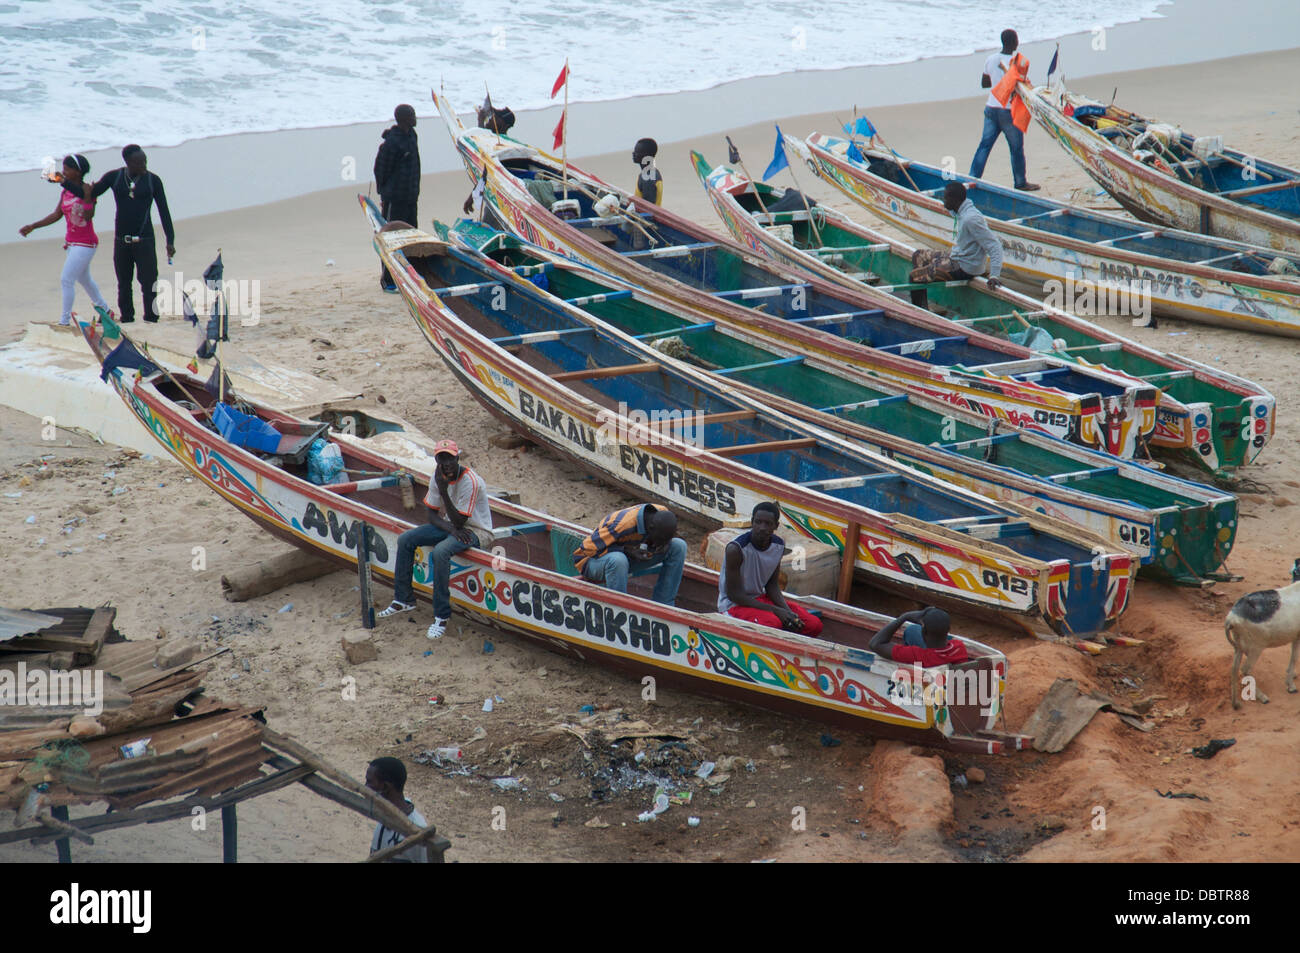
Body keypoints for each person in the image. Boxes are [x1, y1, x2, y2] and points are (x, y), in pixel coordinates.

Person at [379, 439, 491, 640]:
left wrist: (444, 491)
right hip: (452, 527)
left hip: (476, 531)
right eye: (442, 458)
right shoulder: (437, 476)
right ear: (437, 460)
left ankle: (441, 616)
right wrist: (450, 527)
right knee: (405, 539)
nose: (446, 463)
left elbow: (460, 521)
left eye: (450, 458)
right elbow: (430, 515)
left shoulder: (470, 481)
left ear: (458, 457)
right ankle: (404, 599)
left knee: (441, 552)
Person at [62, 145, 176, 323]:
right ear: (128, 162)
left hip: (145, 240)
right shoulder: (114, 177)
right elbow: (90, 193)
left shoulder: (153, 181)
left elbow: (164, 212)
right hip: (121, 241)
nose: (144, 165)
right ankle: (127, 319)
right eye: (139, 162)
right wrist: (63, 182)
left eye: (145, 161)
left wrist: (170, 240)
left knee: (149, 283)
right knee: (124, 283)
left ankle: (152, 319)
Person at [18, 155, 113, 327]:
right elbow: (57, 214)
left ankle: (64, 321)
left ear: (78, 172)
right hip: (71, 243)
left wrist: (87, 198)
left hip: (86, 243)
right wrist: (33, 226)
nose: (63, 172)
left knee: (66, 279)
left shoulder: (86, 190)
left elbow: (89, 216)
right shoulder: (66, 191)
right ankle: (106, 311)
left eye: (67, 169)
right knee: (84, 279)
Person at [718, 502, 823, 636]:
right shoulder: (736, 549)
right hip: (734, 605)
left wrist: (787, 612)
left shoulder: (778, 545)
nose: (762, 527)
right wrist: (776, 611)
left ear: (776, 526)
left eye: (768, 524)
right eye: (758, 522)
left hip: (760, 599)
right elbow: (735, 595)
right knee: (773, 624)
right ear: (752, 522)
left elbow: (772, 586)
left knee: (813, 625)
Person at [907, 182, 1004, 309]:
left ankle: (920, 312)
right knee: (918, 256)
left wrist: (994, 274)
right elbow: (952, 211)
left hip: (964, 267)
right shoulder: (961, 210)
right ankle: (925, 302)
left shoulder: (971, 219)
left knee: (914, 276)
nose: (943, 201)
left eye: (946, 198)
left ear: (955, 200)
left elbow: (994, 246)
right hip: (958, 257)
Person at [968, 29, 1040, 193]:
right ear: (1015, 42)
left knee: (984, 146)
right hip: (1009, 111)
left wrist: (998, 81)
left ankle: (973, 178)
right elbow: (1023, 87)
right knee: (1016, 149)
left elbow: (984, 83)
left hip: (991, 108)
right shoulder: (1020, 62)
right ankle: (1020, 182)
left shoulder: (990, 59)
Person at [573, 503, 686, 605]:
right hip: (592, 562)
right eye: (660, 539)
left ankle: (664, 605)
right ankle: (619, 609)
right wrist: (626, 550)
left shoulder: (661, 512)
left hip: (625, 560)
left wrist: (665, 543)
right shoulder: (620, 525)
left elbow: (668, 536)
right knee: (618, 560)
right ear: (651, 528)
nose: (660, 544)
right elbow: (587, 548)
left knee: (679, 546)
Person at [374, 104, 421, 291]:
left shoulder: (412, 136)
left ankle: (407, 274)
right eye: (412, 115)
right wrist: (385, 195)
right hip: (396, 199)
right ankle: (388, 280)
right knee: (392, 237)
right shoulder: (392, 143)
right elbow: (380, 170)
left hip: (411, 197)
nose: (416, 117)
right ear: (403, 119)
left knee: (411, 235)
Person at [364, 757, 431, 862]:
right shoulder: (385, 815)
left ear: (385, 787)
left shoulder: (417, 830)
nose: (365, 787)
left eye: (369, 782)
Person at [868, 607, 968, 667]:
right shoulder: (959, 647)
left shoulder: (916, 655)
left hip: (928, 677)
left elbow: (875, 643)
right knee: (912, 630)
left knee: (912, 630)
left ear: (924, 632)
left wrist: (904, 617)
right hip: (942, 671)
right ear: (948, 629)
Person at [632, 138, 663, 204]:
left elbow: (648, 209)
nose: (633, 153)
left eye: (636, 151)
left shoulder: (648, 179)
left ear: (645, 156)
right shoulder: (652, 172)